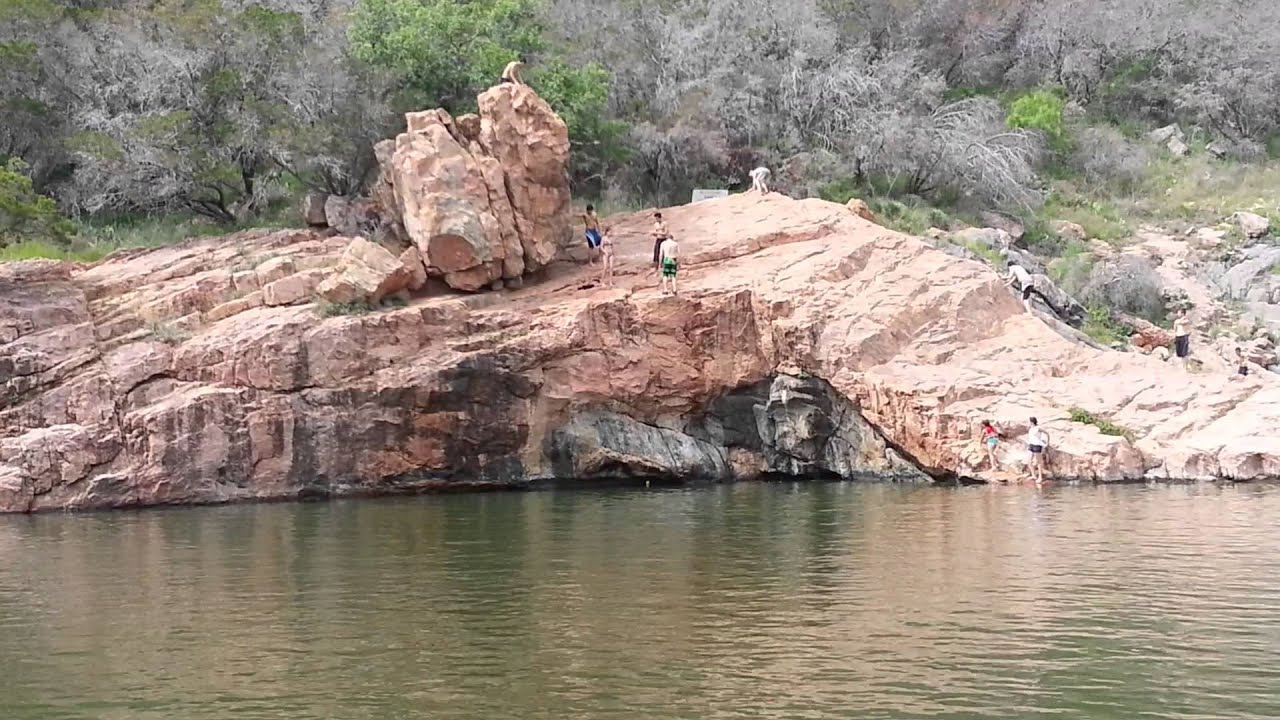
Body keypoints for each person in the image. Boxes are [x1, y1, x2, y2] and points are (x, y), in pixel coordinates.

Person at [1026, 417, 1049, 485]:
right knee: (1029, 461)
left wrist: (1047, 442)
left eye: (1029, 422)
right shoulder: (1031, 428)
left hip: (1037, 445)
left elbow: (1047, 433)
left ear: (1032, 422)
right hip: (1031, 445)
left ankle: (1040, 477)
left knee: (1039, 462)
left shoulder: (1038, 428)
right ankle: (1034, 475)